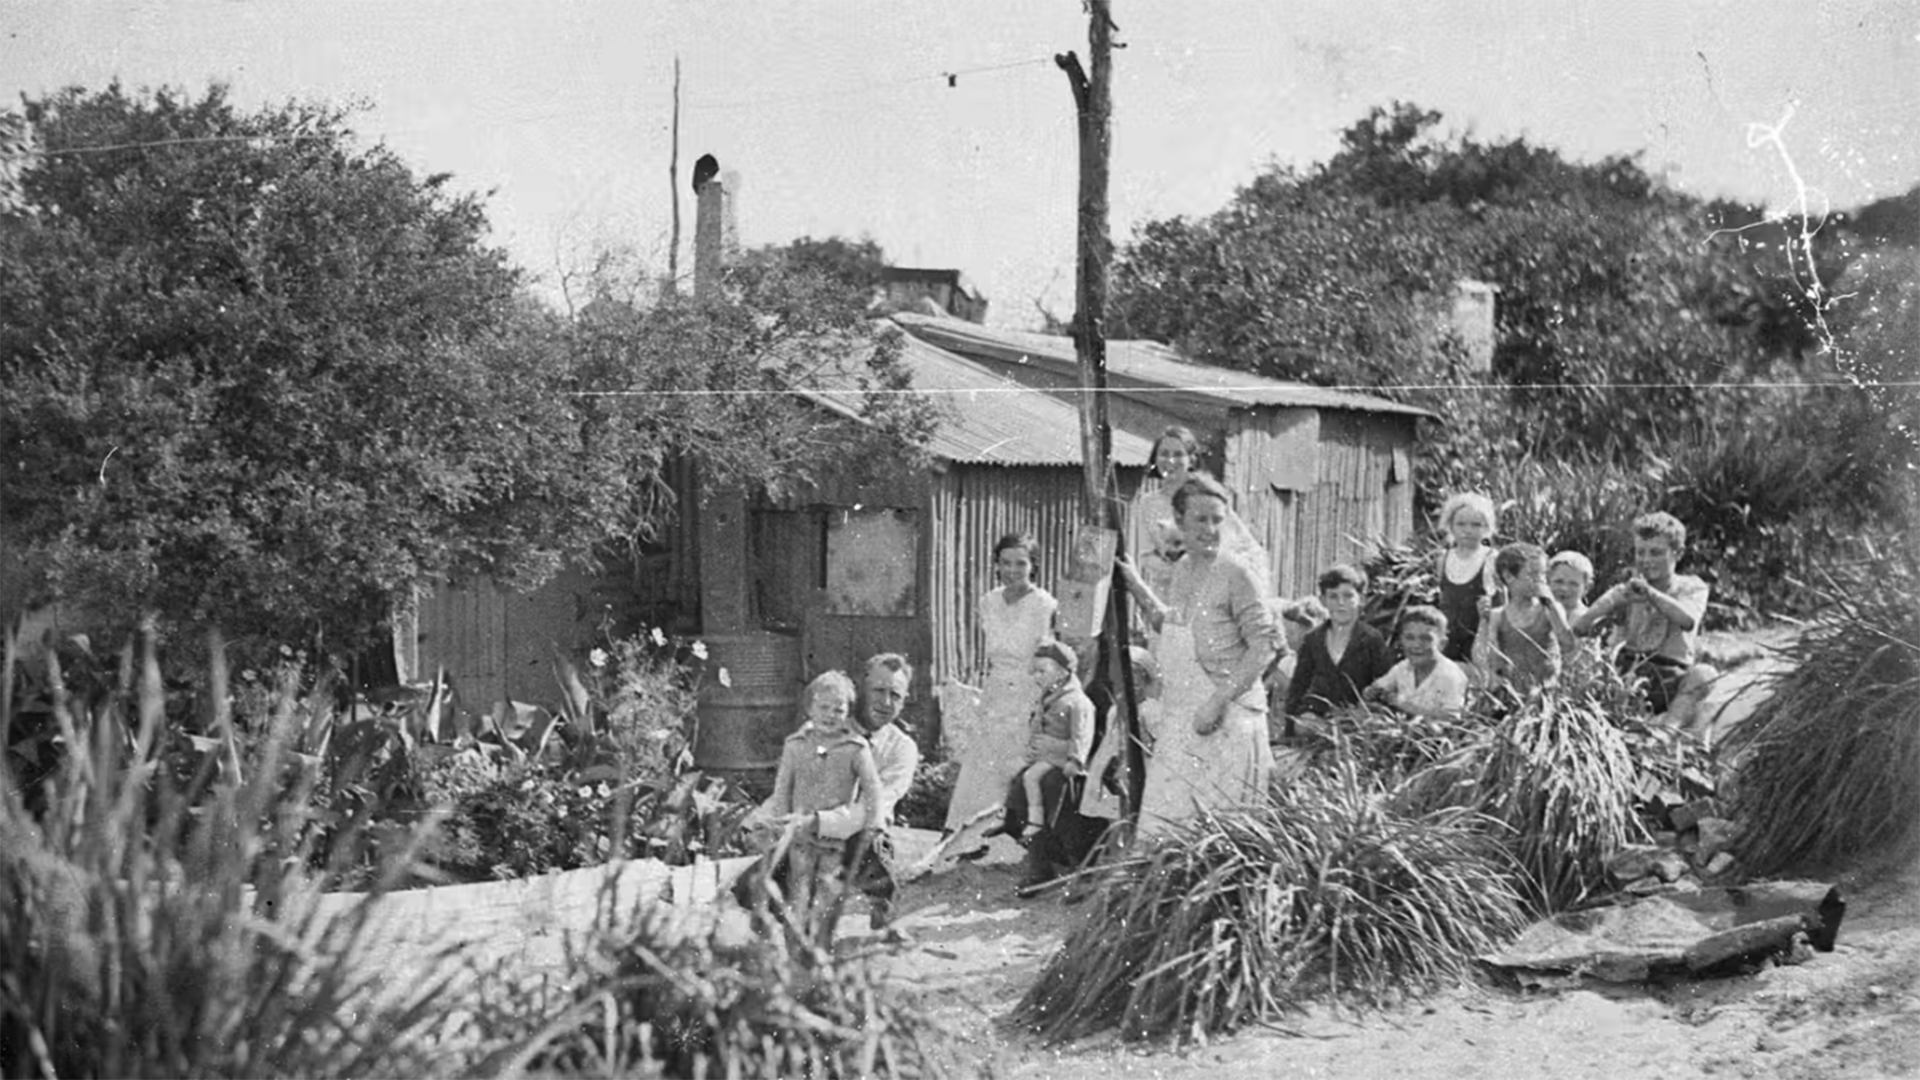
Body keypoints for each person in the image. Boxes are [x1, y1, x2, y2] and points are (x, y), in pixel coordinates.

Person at [1118, 474, 1278, 840]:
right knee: (1166, 826)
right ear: (1179, 521)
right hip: (1183, 717)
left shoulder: (1237, 573)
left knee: (1218, 834)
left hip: (1226, 718)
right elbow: (1172, 626)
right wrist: (1135, 584)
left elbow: (1264, 646)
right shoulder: (1184, 569)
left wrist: (1218, 701)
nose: (1210, 529)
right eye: (1200, 519)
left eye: (1217, 519)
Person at [742, 671, 881, 940]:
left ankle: (821, 945)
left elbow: (873, 791)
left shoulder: (856, 748)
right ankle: (795, 944)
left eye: (838, 710)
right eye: (823, 707)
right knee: (798, 890)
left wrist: (872, 827)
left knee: (826, 892)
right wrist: (779, 825)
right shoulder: (795, 745)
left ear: (848, 712)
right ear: (809, 708)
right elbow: (783, 789)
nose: (830, 715)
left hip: (834, 836)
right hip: (799, 836)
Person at [944, 532, 1058, 837]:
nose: (1012, 570)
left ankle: (1008, 835)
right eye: (1005, 563)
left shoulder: (1044, 604)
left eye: (1020, 563)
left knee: (1013, 764)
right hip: (995, 693)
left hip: (1027, 692)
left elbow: (1047, 657)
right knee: (983, 765)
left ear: (1033, 565)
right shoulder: (989, 602)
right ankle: (968, 835)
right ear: (996, 564)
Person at [1571, 512, 1714, 726]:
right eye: (1641, 552)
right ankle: (1617, 720)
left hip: (1671, 676)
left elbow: (1687, 620)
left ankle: (1668, 729)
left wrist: (1651, 594)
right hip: (1630, 674)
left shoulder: (1691, 586)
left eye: (1656, 553)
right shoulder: (1628, 588)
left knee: (1704, 674)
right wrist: (1610, 603)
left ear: (1678, 553)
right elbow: (1581, 627)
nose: (1646, 560)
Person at [814, 653, 919, 932]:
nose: (886, 702)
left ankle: (884, 921)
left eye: (895, 695)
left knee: (871, 841)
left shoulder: (902, 748)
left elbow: (875, 806)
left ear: (904, 701)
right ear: (861, 689)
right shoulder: (831, 726)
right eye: (878, 691)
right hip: (814, 823)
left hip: (860, 832)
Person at [992, 640, 1097, 894]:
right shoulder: (1046, 699)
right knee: (1019, 789)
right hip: (1042, 764)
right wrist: (1033, 749)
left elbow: (1082, 735)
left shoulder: (1077, 702)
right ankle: (1039, 866)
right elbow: (1037, 730)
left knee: (1060, 808)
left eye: (1043, 671)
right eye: (1035, 671)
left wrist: (1075, 759)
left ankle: (1079, 869)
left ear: (1062, 671)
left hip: (1065, 769)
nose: (1037, 677)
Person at [1284, 564, 1395, 729]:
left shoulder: (1372, 639)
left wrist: (1366, 709)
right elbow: (1299, 686)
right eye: (1333, 597)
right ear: (1323, 600)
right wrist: (1290, 726)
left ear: (1361, 599)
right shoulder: (1313, 639)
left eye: (1348, 596)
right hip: (1318, 715)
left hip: (1357, 716)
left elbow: (1384, 683)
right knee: (1305, 725)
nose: (1341, 603)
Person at [1474, 542, 1575, 695]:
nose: (1540, 581)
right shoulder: (1498, 616)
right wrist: (1483, 620)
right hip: (1512, 693)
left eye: (1543, 575)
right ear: (1508, 576)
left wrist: (1551, 605)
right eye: (1532, 575)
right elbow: (1482, 658)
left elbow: (1568, 645)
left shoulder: (1549, 611)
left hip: (1545, 692)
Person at [1365, 605, 1470, 719]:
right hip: (1401, 726)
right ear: (1401, 640)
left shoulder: (1451, 676)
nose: (1416, 645)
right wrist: (1371, 692)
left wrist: (1410, 707)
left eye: (1426, 639)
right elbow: (1379, 687)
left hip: (1437, 729)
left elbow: (1452, 717)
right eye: (1409, 638)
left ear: (1442, 644)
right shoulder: (1402, 668)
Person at [1432, 492, 1500, 665]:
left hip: (1478, 639)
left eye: (1476, 525)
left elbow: (1501, 603)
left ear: (1486, 527)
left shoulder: (1491, 559)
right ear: (1450, 526)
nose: (1467, 530)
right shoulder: (1443, 559)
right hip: (1448, 639)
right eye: (1461, 524)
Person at [1264, 596, 1328, 737]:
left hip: (1303, 735)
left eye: (1306, 626)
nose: (1300, 632)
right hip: (1276, 733)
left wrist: (1272, 667)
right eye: (1298, 626)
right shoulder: (1288, 661)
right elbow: (1264, 688)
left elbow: (1296, 690)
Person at [1547, 549, 1595, 626]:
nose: (1564, 588)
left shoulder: (1588, 621)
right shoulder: (1535, 614)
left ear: (1586, 588)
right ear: (1547, 581)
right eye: (1558, 581)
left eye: (1573, 584)